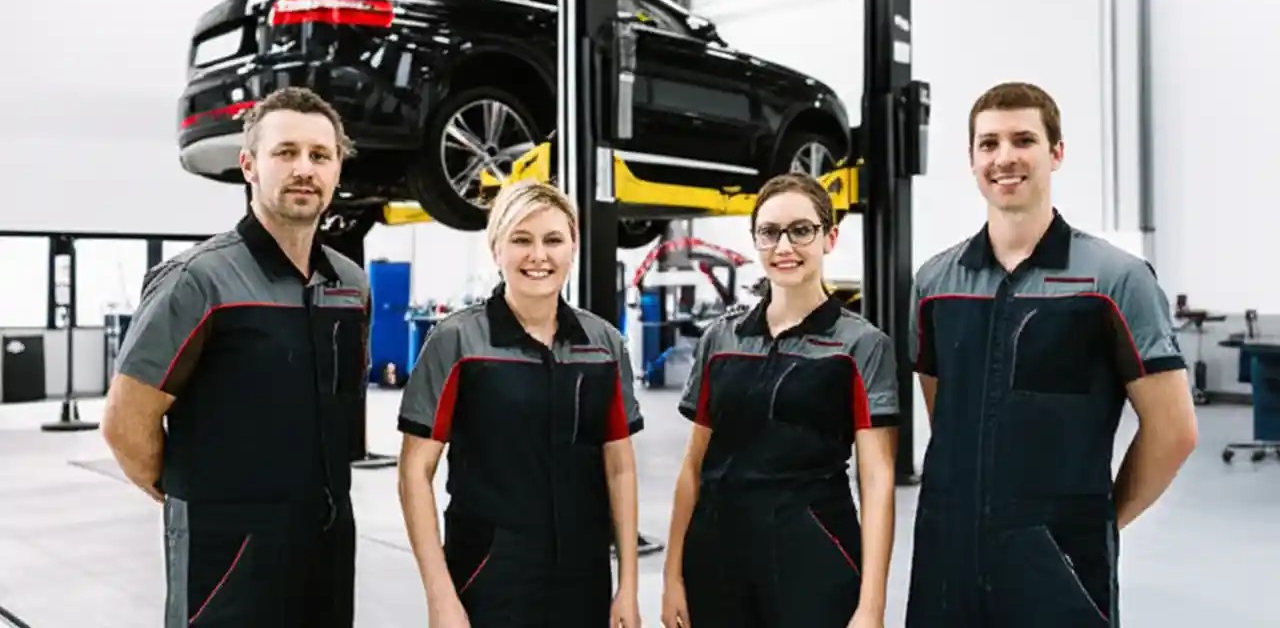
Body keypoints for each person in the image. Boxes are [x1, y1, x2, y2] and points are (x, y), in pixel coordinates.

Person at [904, 81, 1199, 628]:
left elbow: (1174, 430)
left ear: (1056, 152)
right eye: (989, 143)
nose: (1004, 157)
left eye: (1024, 140)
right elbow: (945, 412)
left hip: (1059, 563)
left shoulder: (1116, 281)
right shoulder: (936, 283)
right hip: (947, 553)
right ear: (971, 159)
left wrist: (1098, 521)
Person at [101, 86, 370, 627]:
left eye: (320, 155)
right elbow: (126, 421)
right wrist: (201, 498)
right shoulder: (197, 282)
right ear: (249, 165)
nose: (304, 168)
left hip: (327, 541)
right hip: (228, 554)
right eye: (285, 152)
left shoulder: (350, 284)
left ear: (337, 170)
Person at [396, 179, 644, 628]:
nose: (538, 256)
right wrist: (440, 597)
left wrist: (628, 585)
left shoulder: (603, 344)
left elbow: (620, 467)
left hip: (583, 577)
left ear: (573, 247)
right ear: (497, 250)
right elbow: (415, 471)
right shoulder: (457, 341)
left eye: (553, 240)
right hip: (489, 575)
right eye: (521, 240)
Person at [661, 172, 900, 628]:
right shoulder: (721, 339)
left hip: (812, 562)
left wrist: (871, 606)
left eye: (801, 230)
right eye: (769, 232)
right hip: (717, 561)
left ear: (829, 238)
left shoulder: (860, 345)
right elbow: (693, 467)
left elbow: (877, 479)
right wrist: (672, 576)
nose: (784, 246)